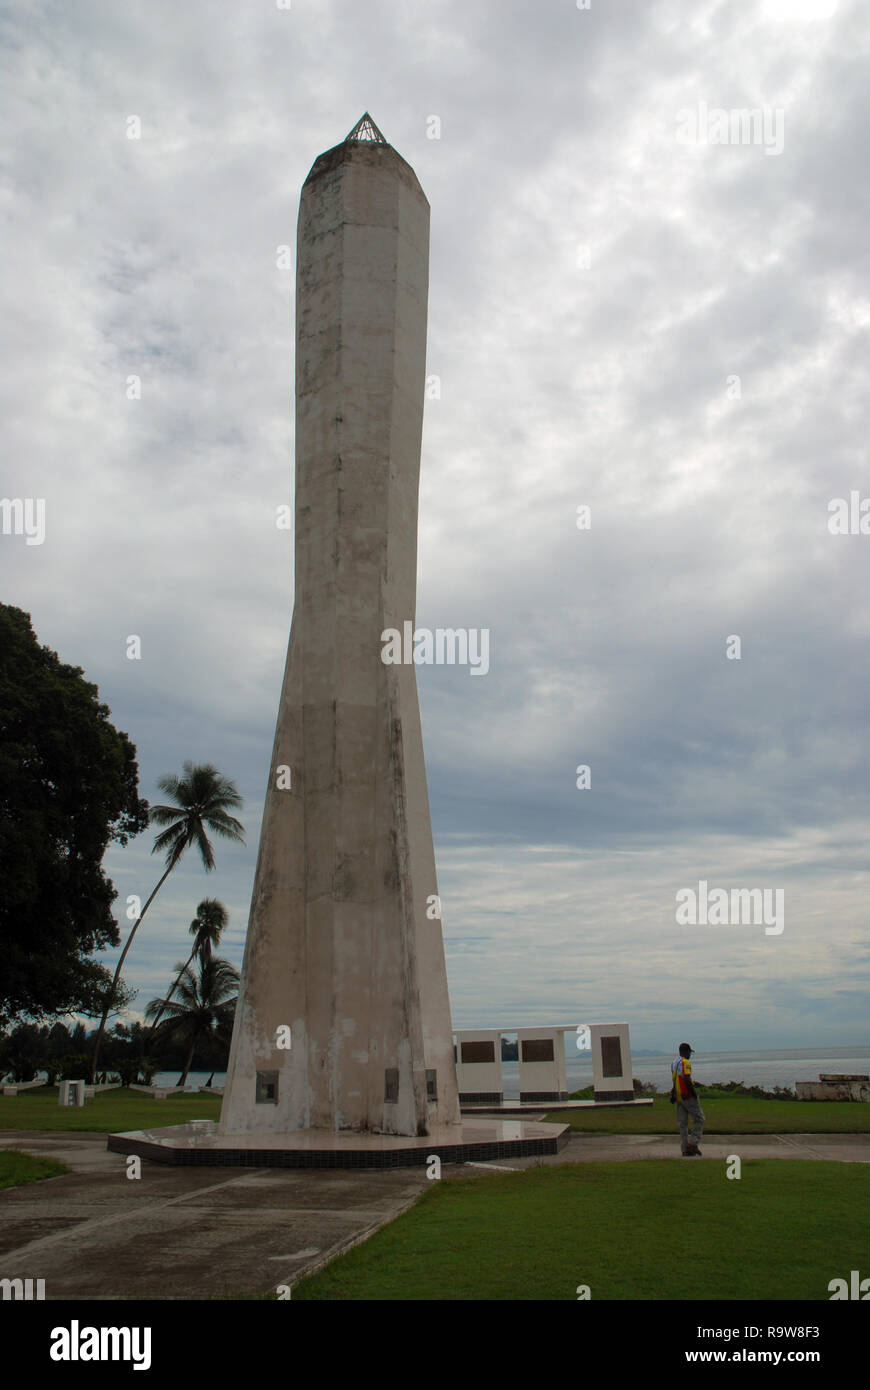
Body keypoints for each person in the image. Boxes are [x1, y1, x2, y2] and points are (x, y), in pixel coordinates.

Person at [670, 1042, 704, 1156]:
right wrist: (694, 1093)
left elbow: (675, 1080)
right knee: (700, 1119)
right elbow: (686, 1078)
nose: (690, 1055)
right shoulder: (685, 1062)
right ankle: (693, 1143)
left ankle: (685, 1149)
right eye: (689, 1052)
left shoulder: (674, 1062)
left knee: (683, 1124)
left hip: (678, 1097)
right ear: (686, 1052)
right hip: (687, 1096)